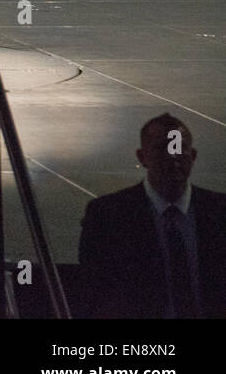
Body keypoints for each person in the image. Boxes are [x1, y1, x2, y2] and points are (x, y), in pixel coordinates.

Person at [79, 113, 226, 318]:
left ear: (192, 157)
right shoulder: (107, 216)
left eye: (179, 148)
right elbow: (95, 291)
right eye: (162, 148)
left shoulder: (220, 212)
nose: (172, 157)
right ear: (142, 157)